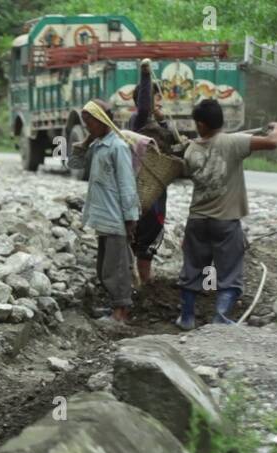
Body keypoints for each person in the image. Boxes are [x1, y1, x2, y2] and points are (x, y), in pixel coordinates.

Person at [176, 99, 277, 329]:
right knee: (229, 271)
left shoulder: (191, 149)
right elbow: (272, 143)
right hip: (225, 222)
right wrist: (275, 128)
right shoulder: (234, 142)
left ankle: (187, 318)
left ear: (202, 125)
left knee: (194, 268)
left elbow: (184, 170)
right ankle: (220, 318)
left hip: (197, 221)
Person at [69, 99, 139, 323]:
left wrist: (130, 219)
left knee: (117, 268)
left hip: (116, 217)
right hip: (103, 217)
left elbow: (127, 186)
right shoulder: (98, 145)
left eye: (89, 123)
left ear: (101, 121)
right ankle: (114, 307)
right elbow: (74, 165)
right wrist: (85, 141)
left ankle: (121, 313)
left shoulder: (117, 147)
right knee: (105, 266)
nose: (87, 127)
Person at [127, 59, 182, 286]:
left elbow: (177, 144)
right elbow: (143, 105)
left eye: (160, 99)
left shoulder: (161, 124)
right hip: (142, 188)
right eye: (155, 98)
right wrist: (146, 75)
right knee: (142, 234)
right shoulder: (138, 121)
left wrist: (165, 122)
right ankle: (140, 281)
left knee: (154, 228)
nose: (158, 103)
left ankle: (143, 280)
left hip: (158, 188)